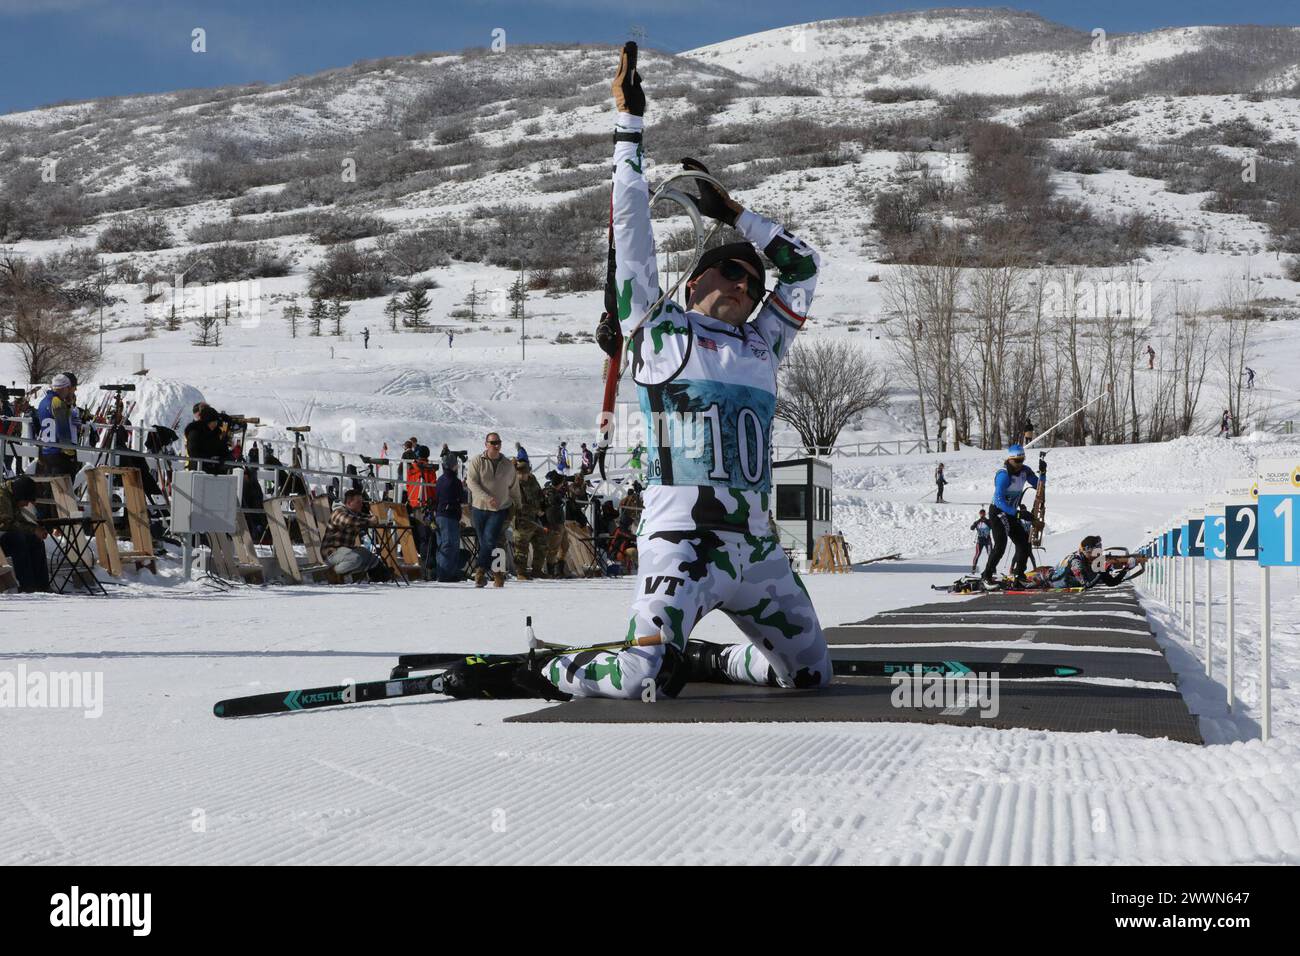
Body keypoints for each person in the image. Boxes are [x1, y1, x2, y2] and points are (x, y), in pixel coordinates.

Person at [441, 44, 831, 702]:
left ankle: (716, 661)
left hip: (756, 551)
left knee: (813, 676)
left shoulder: (763, 343)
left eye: (753, 280)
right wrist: (628, 130)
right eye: (733, 269)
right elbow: (630, 226)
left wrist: (735, 216)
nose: (746, 283)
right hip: (681, 545)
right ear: (697, 275)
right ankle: (536, 672)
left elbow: (805, 267)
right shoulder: (659, 330)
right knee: (640, 677)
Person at [981, 443, 1041, 590]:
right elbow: (1000, 500)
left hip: (1011, 513)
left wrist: (1043, 473)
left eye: (1023, 460)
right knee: (1000, 545)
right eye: (1017, 461)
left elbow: (1039, 485)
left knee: (1024, 544)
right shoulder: (1003, 475)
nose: (1021, 464)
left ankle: (1019, 576)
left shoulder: (1025, 471)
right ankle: (986, 576)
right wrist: (1018, 513)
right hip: (998, 512)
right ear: (1009, 460)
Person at [465, 431, 520, 588]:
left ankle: (480, 571)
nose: (496, 445)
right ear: (486, 444)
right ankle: (498, 574)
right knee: (488, 543)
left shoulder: (508, 465)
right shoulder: (477, 461)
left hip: (500, 509)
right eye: (493, 442)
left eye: (498, 442)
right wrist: (487, 498)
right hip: (479, 508)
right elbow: (471, 483)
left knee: (491, 539)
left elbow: (514, 487)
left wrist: (519, 506)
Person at [320, 489, 388, 580]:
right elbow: (350, 521)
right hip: (332, 552)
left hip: (346, 551)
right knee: (355, 559)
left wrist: (374, 518)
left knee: (371, 558)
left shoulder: (355, 514)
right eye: (358, 502)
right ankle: (333, 572)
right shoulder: (338, 512)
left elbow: (367, 518)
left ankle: (382, 577)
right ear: (349, 502)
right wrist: (369, 521)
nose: (361, 504)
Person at [32, 374, 82, 494]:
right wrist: (71, 453)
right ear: (64, 388)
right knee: (63, 493)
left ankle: (47, 512)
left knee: (49, 491)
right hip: (59, 454)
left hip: (46, 451)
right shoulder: (57, 402)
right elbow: (63, 429)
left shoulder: (43, 402)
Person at [0, 475, 50, 592]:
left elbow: (19, 521)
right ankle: (27, 585)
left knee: (35, 540)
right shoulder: (2, 497)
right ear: (20, 495)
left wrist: (36, 529)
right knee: (18, 540)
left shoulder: (11, 496)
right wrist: (33, 530)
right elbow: (6, 524)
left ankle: (42, 586)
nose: (27, 505)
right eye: (26, 500)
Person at [1038, 535, 1136, 590]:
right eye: (1096, 549)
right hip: (1050, 581)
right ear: (1087, 550)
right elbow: (1086, 585)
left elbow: (1111, 582)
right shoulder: (1076, 561)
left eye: (1100, 547)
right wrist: (1101, 572)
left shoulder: (1097, 560)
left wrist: (1126, 569)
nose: (1099, 552)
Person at [511, 458, 547, 580]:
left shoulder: (532, 480)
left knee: (542, 542)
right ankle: (521, 572)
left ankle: (537, 569)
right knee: (521, 547)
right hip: (521, 519)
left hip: (534, 520)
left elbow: (540, 495)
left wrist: (543, 505)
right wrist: (536, 510)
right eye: (520, 473)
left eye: (525, 472)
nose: (523, 475)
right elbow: (518, 504)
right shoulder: (514, 484)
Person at [405, 445, 438, 573]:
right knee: (427, 535)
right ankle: (428, 564)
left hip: (415, 504)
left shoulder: (412, 469)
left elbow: (409, 486)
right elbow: (433, 487)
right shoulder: (428, 470)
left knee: (422, 535)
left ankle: (426, 561)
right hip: (425, 504)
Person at [433, 457, 465, 582]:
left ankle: (441, 572)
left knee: (442, 544)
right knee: (450, 545)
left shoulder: (440, 479)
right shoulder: (454, 481)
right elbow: (461, 498)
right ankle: (447, 574)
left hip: (440, 514)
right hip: (450, 515)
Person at [184, 405, 229, 475]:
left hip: (215, 471)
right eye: (213, 421)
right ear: (207, 420)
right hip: (198, 470)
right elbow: (193, 451)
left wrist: (223, 455)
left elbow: (222, 450)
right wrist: (210, 458)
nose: (215, 424)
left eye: (216, 422)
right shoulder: (195, 431)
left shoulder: (216, 433)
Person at [970, 508, 992, 573]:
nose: (982, 515)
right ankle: (973, 568)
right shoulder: (977, 522)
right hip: (980, 541)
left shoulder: (988, 521)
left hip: (987, 540)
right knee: (977, 554)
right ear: (979, 514)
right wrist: (977, 522)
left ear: (985, 514)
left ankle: (992, 569)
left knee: (990, 555)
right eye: (981, 514)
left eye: (983, 514)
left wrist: (985, 521)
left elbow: (991, 526)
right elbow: (971, 528)